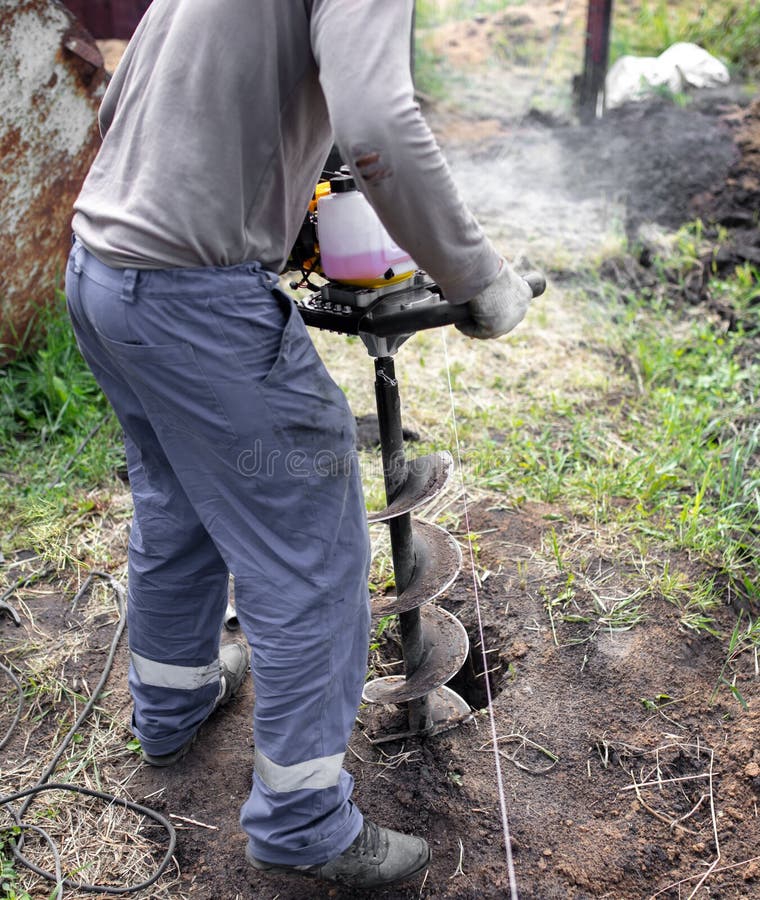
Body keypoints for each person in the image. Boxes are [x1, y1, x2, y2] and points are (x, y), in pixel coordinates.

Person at [65, 0, 534, 890]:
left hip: (99, 267)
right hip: (195, 298)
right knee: (312, 554)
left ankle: (171, 705)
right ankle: (303, 823)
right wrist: (478, 274)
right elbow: (379, 124)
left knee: (178, 500)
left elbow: (119, 96)